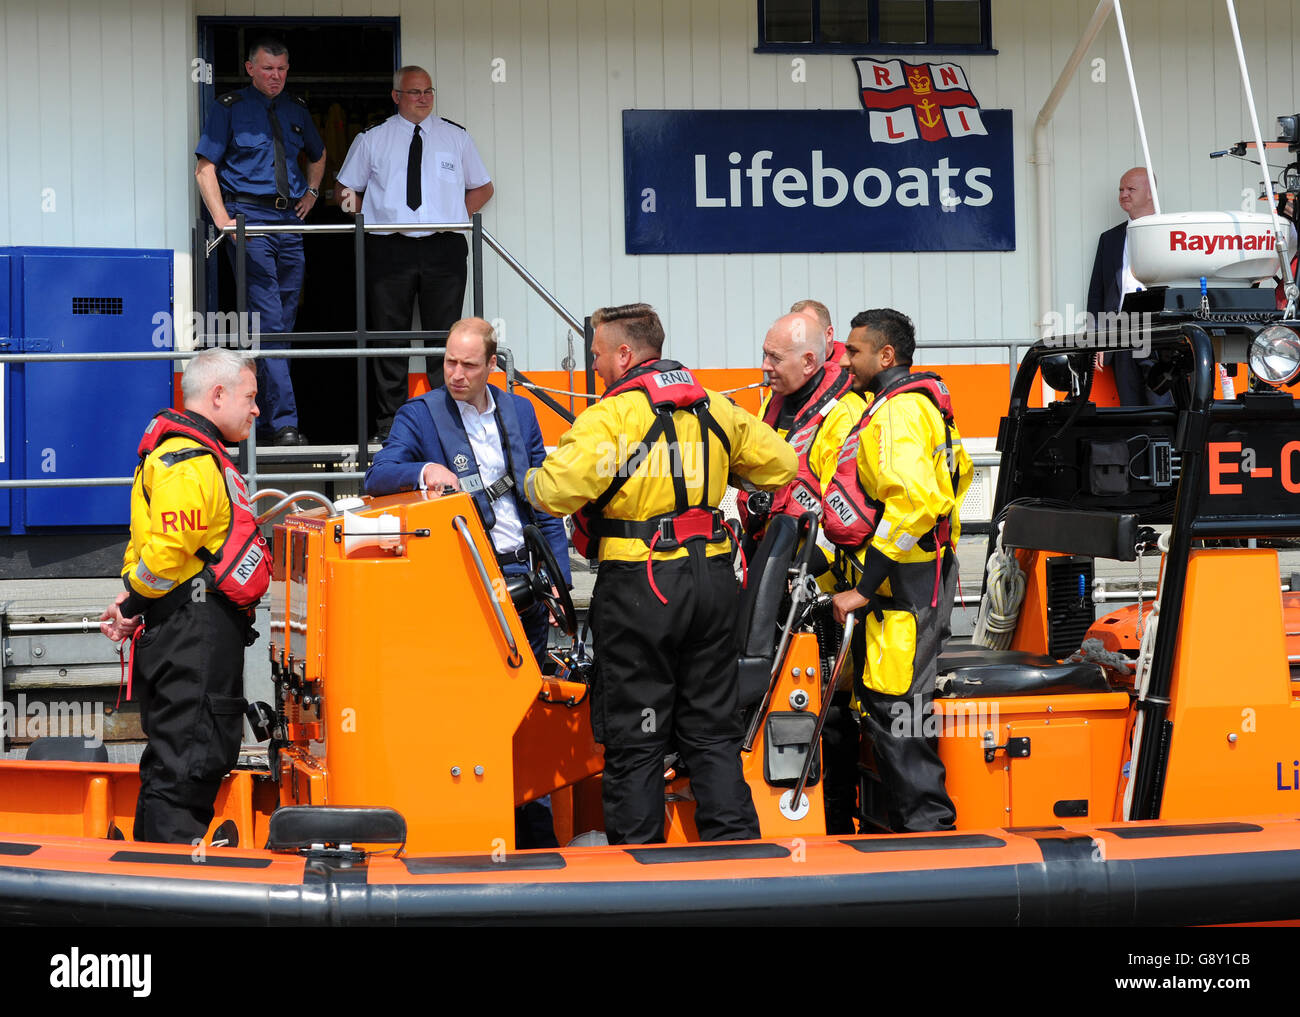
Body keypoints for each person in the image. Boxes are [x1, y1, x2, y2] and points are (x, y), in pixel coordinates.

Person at [523, 303, 797, 844]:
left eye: (598, 355)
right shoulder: (716, 408)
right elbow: (782, 464)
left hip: (642, 588)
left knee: (637, 736)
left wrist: (524, 482)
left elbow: (554, 490)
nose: (596, 366)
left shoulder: (612, 417)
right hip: (716, 582)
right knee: (713, 732)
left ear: (625, 353)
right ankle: (742, 863)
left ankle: (639, 876)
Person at [100, 349, 272, 844]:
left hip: (191, 629)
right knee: (190, 759)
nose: (256, 409)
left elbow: (155, 551)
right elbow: (169, 550)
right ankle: (168, 873)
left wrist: (134, 603)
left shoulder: (192, 456)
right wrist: (133, 604)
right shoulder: (190, 460)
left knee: (184, 757)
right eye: (250, 397)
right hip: (192, 633)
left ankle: (154, 862)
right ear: (217, 395)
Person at [828, 309, 971, 833]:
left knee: (897, 707)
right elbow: (954, 480)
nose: (846, 360)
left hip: (905, 585)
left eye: (854, 351)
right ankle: (905, 829)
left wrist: (863, 589)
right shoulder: (923, 405)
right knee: (889, 703)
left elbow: (912, 505)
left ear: (886, 356)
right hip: (919, 578)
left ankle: (931, 832)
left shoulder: (896, 414)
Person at [364, 317, 569, 663]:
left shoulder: (520, 410)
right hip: (465, 582)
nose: (456, 374)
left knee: (529, 692)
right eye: (450, 362)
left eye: (469, 365)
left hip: (527, 578)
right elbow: (377, 476)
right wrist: (425, 470)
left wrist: (559, 579)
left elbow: (543, 499)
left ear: (492, 364)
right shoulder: (419, 415)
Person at [746, 311, 867, 834]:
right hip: (782, 563)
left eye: (774, 357)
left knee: (834, 707)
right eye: (766, 354)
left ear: (811, 360)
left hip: (830, 575)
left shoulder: (844, 414)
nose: (764, 366)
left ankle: (836, 822)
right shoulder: (778, 398)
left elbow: (840, 505)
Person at [337, 65, 494, 443]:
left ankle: (451, 422)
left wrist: (454, 217)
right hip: (389, 247)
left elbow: (483, 188)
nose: (423, 98)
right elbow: (345, 188)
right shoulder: (373, 139)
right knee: (389, 340)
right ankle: (388, 426)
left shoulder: (455, 137)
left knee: (446, 339)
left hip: (444, 247)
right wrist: (368, 216)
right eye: (414, 92)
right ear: (396, 97)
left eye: (428, 91)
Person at [195, 37, 326, 446]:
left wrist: (312, 195)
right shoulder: (230, 107)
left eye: (282, 69)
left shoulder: (297, 109)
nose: (276, 76)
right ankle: (285, 422)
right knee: (269, 321)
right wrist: (222, 219)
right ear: (250, 68)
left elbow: (318, 156)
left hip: (289, 220)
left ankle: (262, 418)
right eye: (268, 69)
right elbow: (205, 168)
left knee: (282, 324)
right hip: (249, 220)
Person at [1087, 167, 1171, 406]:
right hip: (1120, 334)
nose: (1123, 194)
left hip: (1160, 334)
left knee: (1163, 406)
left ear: (1150, 193)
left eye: (1131, 189)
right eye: (1121, 189)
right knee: (1130, 408)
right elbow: (1097, 294)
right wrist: (1098, 340)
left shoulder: (1170, 232)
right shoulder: (1109, 239)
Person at [790, 298, 847, 364]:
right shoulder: (785, 367)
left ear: (829, 334)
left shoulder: (851, 369)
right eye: (796, 334)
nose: (801, 340)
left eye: (808, 333)